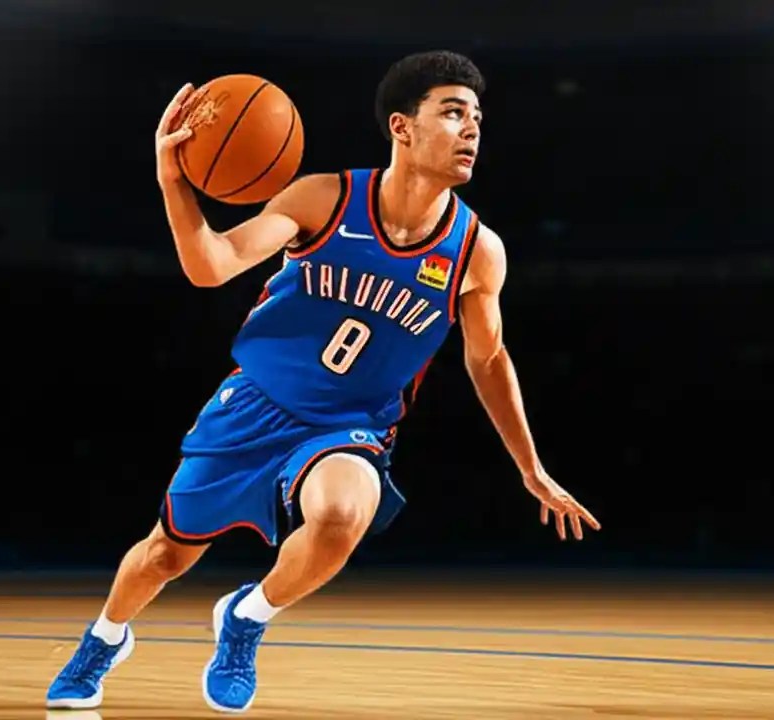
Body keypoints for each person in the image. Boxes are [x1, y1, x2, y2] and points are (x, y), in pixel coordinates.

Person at [45, 50, 601, 713]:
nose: (472, 129)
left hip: (350, 427)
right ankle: (106, 637)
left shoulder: (477, 251)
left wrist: (530, 467)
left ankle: (246, 618)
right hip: (256, 404)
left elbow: (488, 360)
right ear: (402, 126)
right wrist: (174, 180)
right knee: (165, 555)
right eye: (452, 112)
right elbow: (212, 264)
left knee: (343, 513)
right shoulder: (325, 198)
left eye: (477, 116)